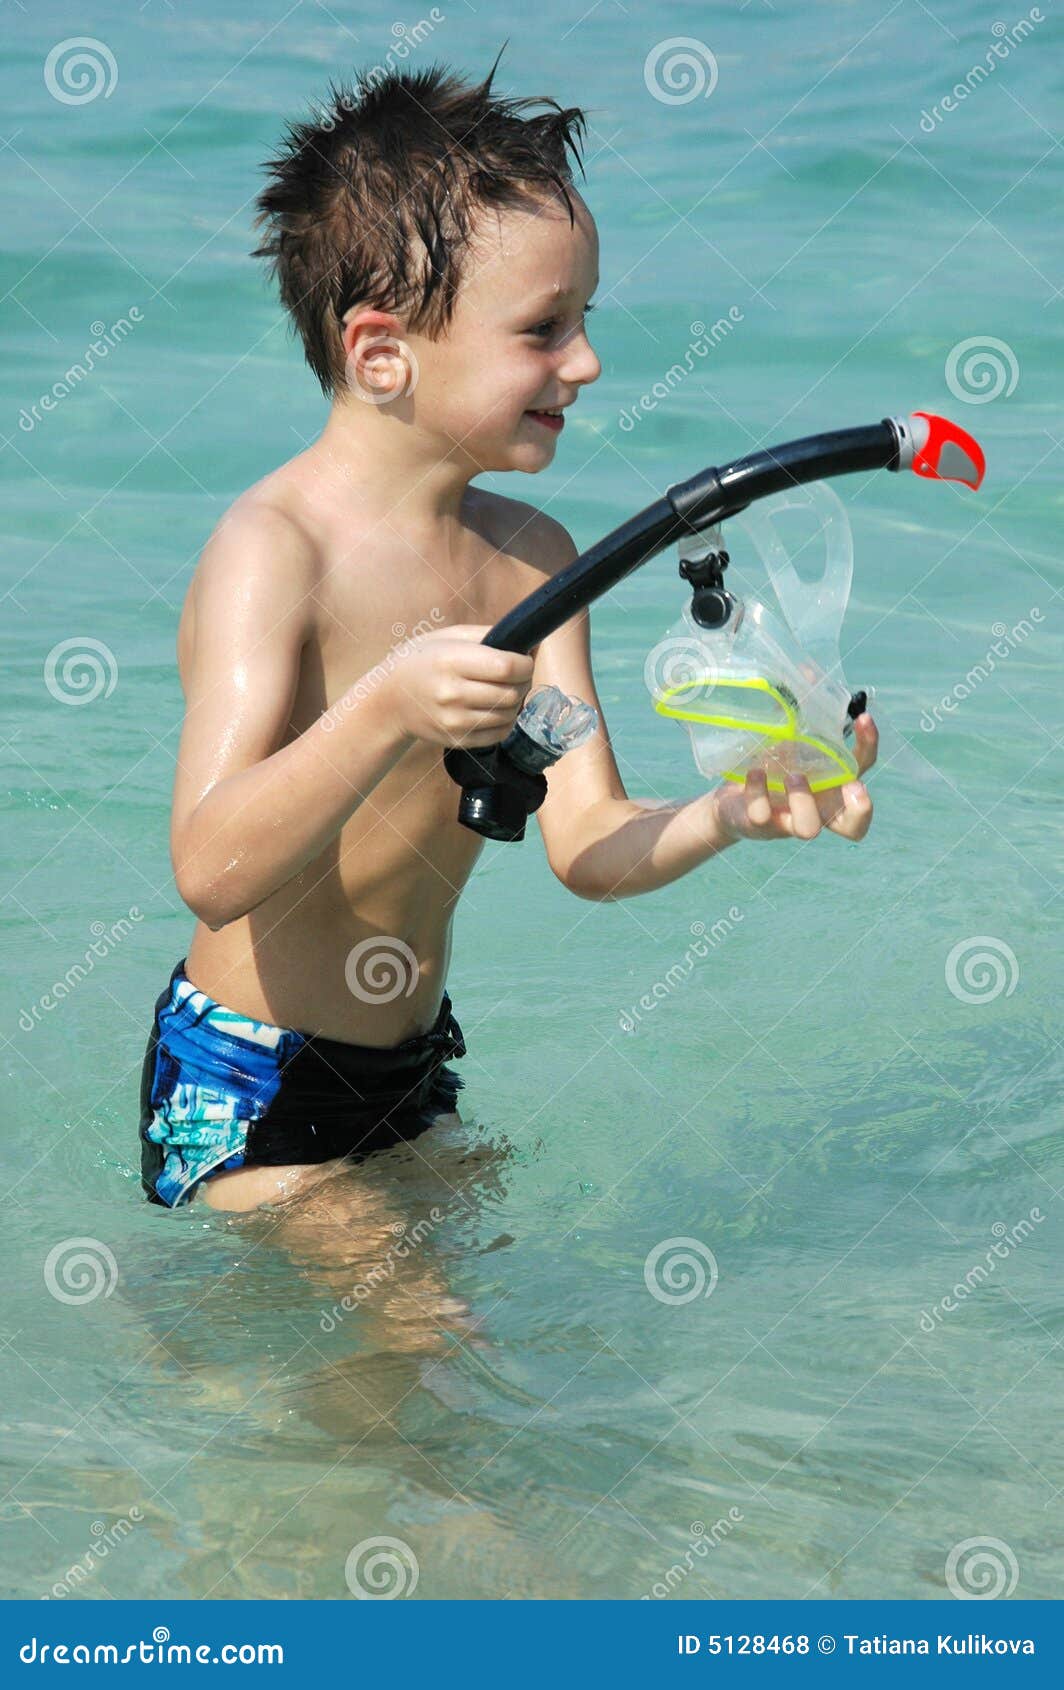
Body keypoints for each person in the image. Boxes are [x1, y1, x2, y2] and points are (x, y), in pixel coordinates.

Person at [139, 51, 878, 1215]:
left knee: (443, 1383)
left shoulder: (534, 558)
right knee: (429, 1342)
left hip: (414, 1071)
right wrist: (387, 703)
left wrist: (730, 809)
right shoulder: (274, 549)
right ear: (379, 352)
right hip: (243, 1080)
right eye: (543, 329)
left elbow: (586, 844)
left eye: (583, 320)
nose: (585, 362)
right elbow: (210, 864)